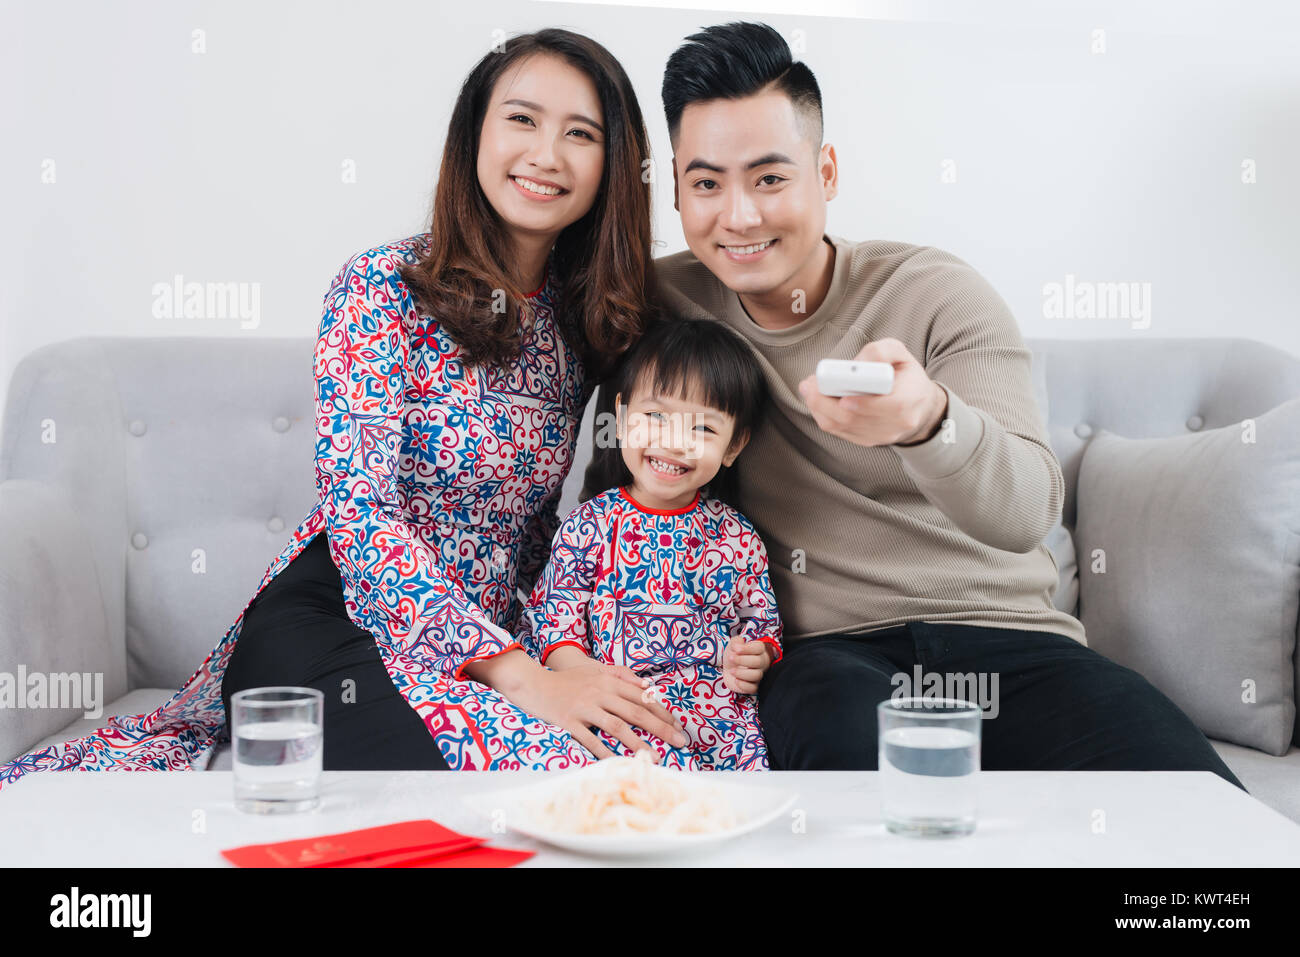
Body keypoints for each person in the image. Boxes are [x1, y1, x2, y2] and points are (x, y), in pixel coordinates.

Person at [0, 28, 691, 787]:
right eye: (521, 119)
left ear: (612, 166)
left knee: (627, 756)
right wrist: (521, 675)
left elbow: (541, 536)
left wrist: (569, 654)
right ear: (475, 135)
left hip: (493, 642)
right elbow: (361, 514)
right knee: (507, 771)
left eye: (581, 133)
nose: (546, 154)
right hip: (334, 621)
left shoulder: (580, 323)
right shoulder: (381, 287)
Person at [582, 20, 1246, 790]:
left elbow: (1030, 506)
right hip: (833, 654)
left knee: (1198, 809)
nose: (738, 216)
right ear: (675, 188)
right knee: (841, 757)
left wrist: (928, 422)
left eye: (770, 178)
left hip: (1014, 643)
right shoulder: (662, 309)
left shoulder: (936, 294)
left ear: (826, 172)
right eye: (706, 183)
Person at [521, 316, 782, 769]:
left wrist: (754, 657)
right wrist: (584, 676)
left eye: (703, 429)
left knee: (746, 787)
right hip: (616, 701)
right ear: (622, 419)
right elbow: (555, 627)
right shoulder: (591, 524)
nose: (674, 442)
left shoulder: (737, 535)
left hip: (716, 714)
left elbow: (759, 621)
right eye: (655, 416)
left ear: (733, 446)